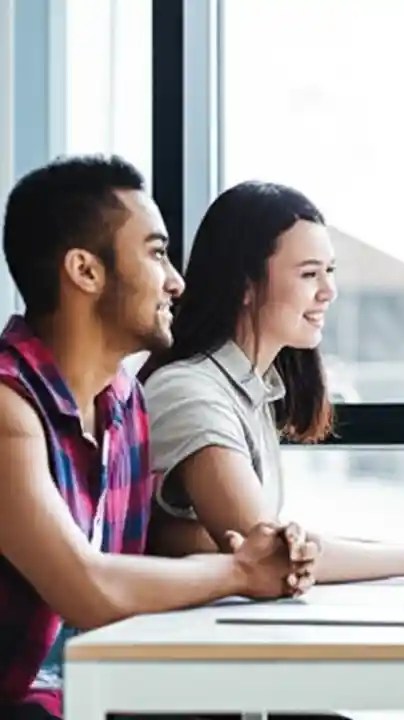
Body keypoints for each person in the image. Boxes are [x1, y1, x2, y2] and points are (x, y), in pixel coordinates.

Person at [0, 156, 316, 720]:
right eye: (155, 252)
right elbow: (86, 587)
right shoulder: (8, 407)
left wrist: (256, 547)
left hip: (101, 691)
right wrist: (242, 570)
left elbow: (137, 556)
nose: (177, 281)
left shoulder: (125, 404)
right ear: (85, 271)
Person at [138, 181, 404, 583]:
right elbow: (275, 553)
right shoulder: (190, 392)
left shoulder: (252, 389)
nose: (329, 291)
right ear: (244, 285)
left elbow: (250, 542)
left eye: (329, 271)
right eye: (309, 274)